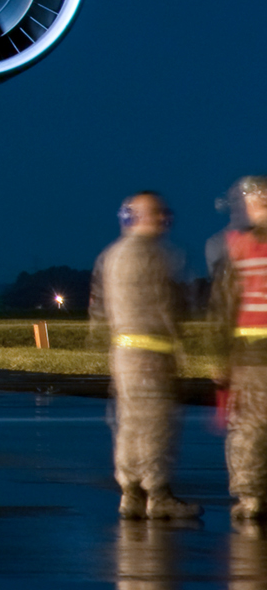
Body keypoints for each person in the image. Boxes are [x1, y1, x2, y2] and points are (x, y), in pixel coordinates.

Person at [92, 191, 202, 522]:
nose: (165, 219)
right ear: (140, 216)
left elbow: (99, 308)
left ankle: (130, 494)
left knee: (129, 425)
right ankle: (158, 494)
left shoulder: (111, 255)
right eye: (158, 213)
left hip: (123, 352)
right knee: (156, 424)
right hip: (152, 354)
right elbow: (172, 304)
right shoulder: (158, 254)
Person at [214, 177, 267, 525]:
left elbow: (223, 306)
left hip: (248, 354)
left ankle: (251, 498)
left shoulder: (236, 246)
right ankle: (252, 497)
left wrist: (221, 359)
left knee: (248, 429)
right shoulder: (237, 246)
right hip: (250, 352)